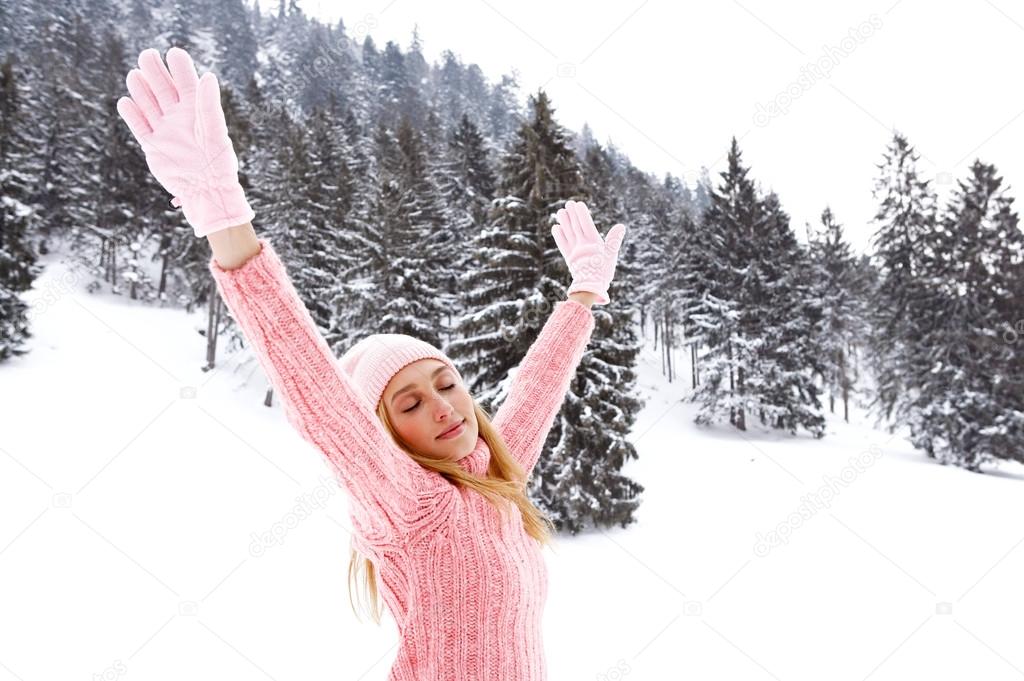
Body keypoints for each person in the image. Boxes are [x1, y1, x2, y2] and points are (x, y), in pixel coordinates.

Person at [117, 46, 626, 680]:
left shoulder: (496, 477)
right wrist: (221, 211)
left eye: (446, 384)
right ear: (386, 434)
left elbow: (539, 387)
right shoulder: (412, 504)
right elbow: (318, 396)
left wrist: (584, 294)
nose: (442, 407)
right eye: (409, 403)